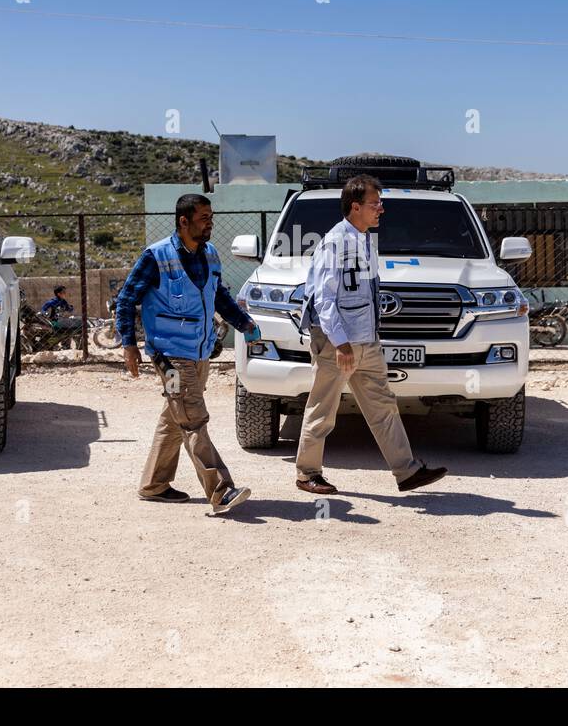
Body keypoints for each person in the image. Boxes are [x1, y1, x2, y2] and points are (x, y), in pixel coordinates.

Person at [294, 174, 447, 495]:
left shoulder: (364, 240)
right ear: (355, 207)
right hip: (338, 344)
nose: (381, 209)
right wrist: (341, 343)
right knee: (323, 408)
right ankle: (307, 473)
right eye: (375, 203)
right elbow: (324, 297)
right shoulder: (335, 243)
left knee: (383, 407)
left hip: (365, 342)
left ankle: (407, 472)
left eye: (380, 203)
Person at [116, 193, 260, 515]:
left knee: (175, 418)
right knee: (193, 418)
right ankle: (220, 490)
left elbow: (219, 295)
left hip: (200, 352)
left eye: (211, 217)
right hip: (169, 356)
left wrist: (244, 322)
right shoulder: (156, 256)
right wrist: (128, 344)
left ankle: (154, 485)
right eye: (204, 218)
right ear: (184, 221)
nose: (210, 223)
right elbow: (126, 299)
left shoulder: (209, 254)